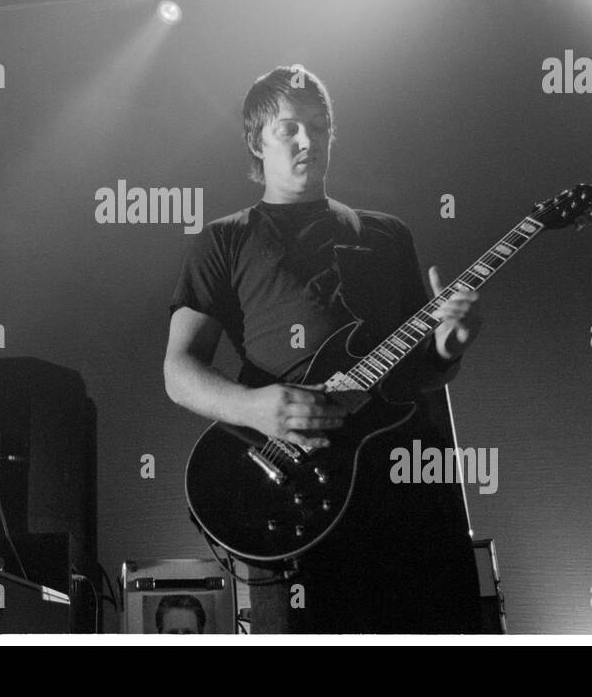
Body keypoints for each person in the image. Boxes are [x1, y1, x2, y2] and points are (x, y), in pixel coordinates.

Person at [163, 66, 485, 633]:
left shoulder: (386, 234)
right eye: (288, 128)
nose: (307, 140)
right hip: (298, 493)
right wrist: (255, 407)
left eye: (319, 126)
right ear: (256, 142)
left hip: (406, 487)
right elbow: (179, 369)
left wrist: (448, 347)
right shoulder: (224, 238)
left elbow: (416, 378)